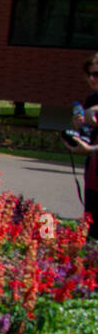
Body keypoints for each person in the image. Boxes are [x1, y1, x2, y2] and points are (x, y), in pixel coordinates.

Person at [64, 52, 98, 240]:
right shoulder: (92, 99)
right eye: (90, 74)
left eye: (97, 74)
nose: (92, 79)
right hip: (93, 172)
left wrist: (91, 149)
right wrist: (80, 129)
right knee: (91, 225)